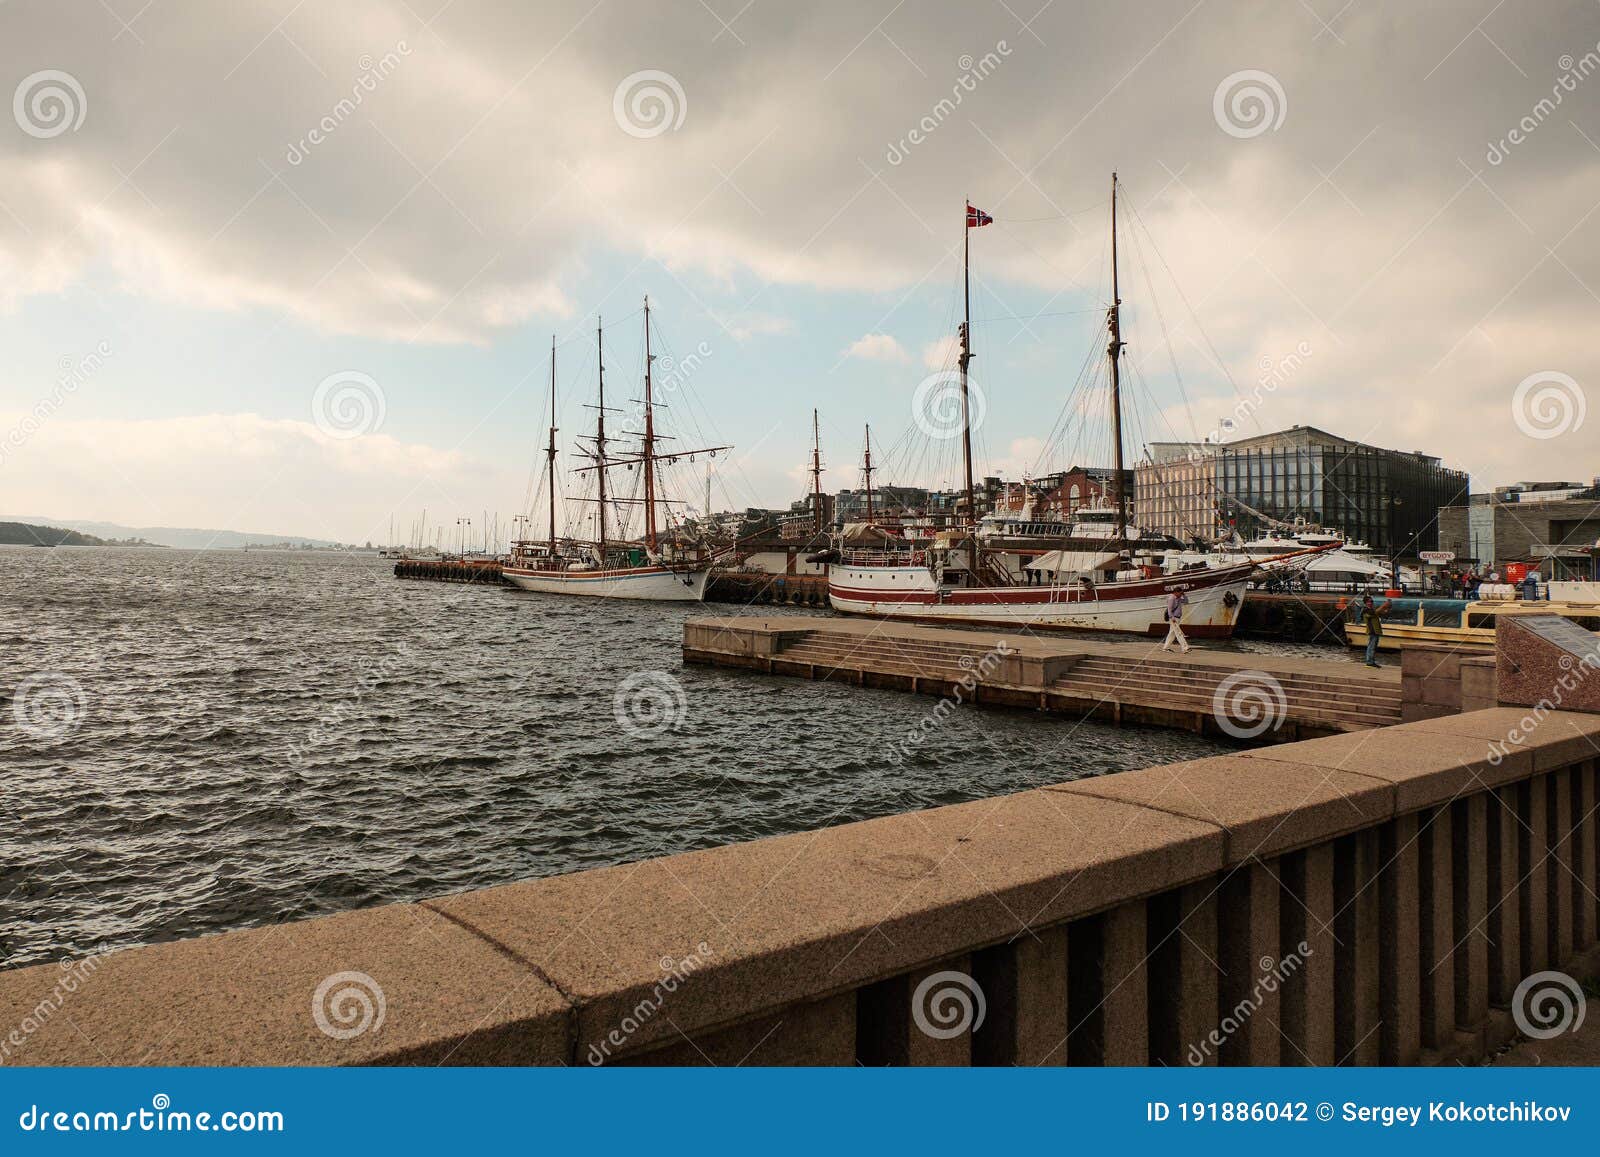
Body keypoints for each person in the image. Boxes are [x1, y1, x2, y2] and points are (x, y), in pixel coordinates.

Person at [1360, 594, 1390, 667]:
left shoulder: (1371, 609)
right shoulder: (1365, 610)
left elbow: (1381, 613)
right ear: (1365, 603)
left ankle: (1371, 661)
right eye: (1369, 601)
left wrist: (1387, 608)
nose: (1371, 603)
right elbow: (1374, 613)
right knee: (1371, 646)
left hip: (1376, 630)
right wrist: (1383, 605)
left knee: (1373, 646)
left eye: (1372, 601)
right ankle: (1369, 662)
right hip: (1372, 630)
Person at [1163, 589, 1190, 653]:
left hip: (1178, 618)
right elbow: (1169, 609)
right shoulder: (1171, 598)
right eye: (1180, 593)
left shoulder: (1179, 598)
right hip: (1174, 618)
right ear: (1176, 592)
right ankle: (1185, 648)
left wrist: (1184, 595)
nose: (1181, 595)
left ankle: (1165, 648)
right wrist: (1172, 618)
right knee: (1179, 633)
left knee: (1172, 633)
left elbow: (1186, 602)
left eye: (1181, 594)